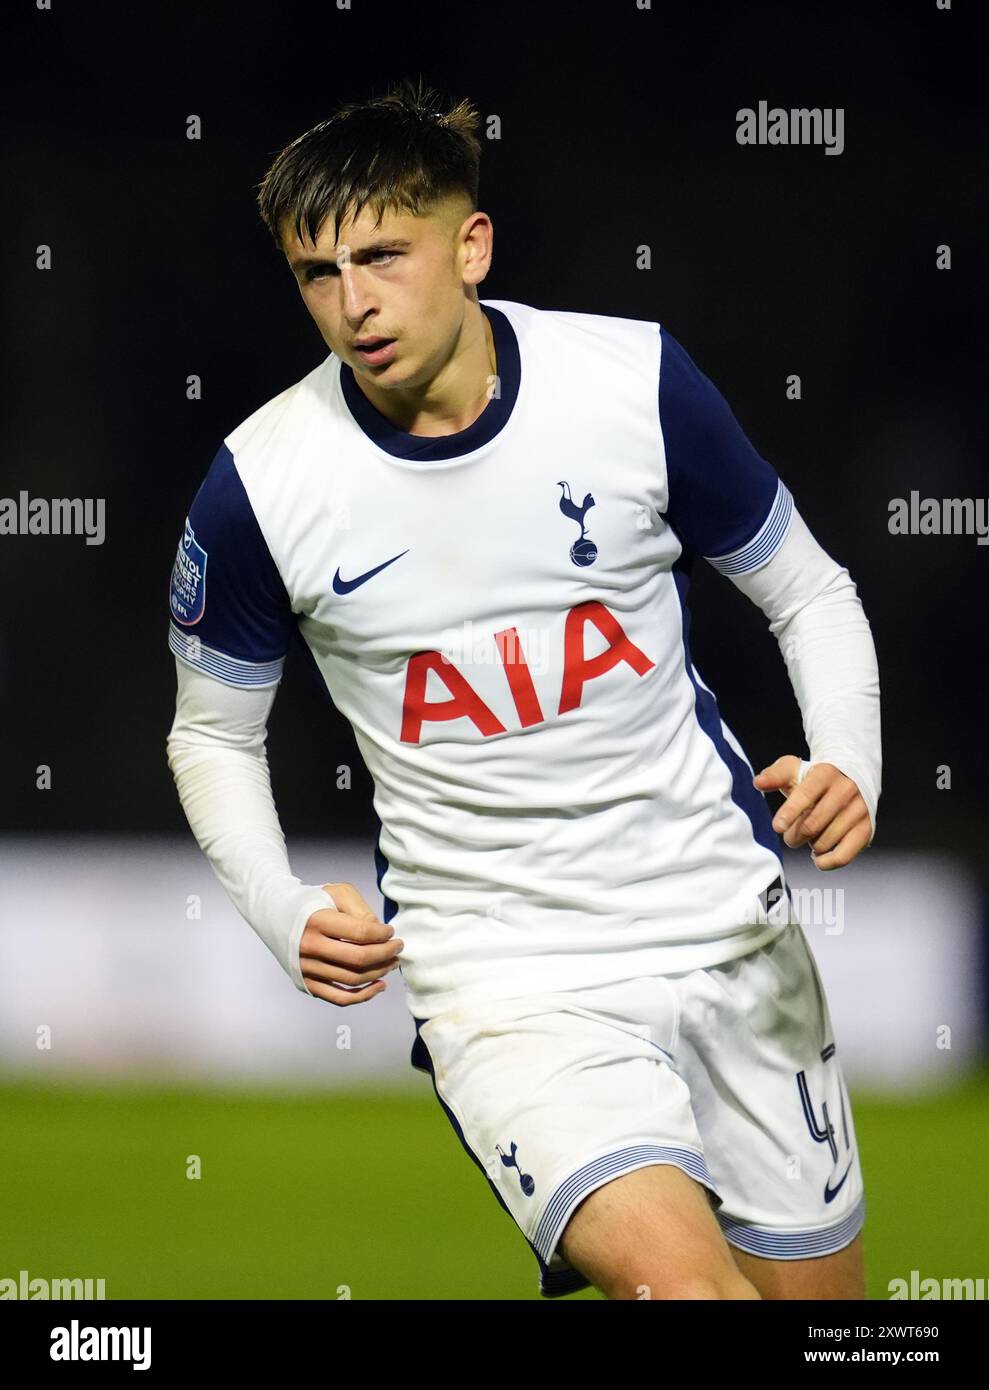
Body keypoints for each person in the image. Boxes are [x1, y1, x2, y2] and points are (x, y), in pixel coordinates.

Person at [166, 78, 881, 1300]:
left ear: (470, 244)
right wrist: (278, 906)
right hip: (505, 978)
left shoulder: (631, 383)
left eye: (383, 256)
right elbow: (211, 732)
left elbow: (807, 591)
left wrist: (847, 764)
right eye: (316, 273)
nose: (353, 303)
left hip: (727, 933)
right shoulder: (261, 483)